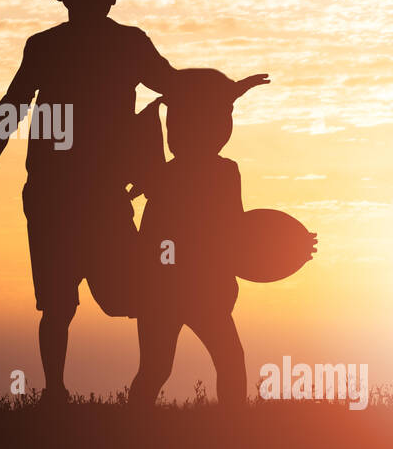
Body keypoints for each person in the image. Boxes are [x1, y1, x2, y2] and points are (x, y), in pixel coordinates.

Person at [0, 0, 178, 406]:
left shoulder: (123, 45)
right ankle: (57, 392)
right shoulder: (49, 48)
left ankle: (135, 386)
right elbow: (12, 106)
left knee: (119, 297)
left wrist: (221, 91)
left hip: (91, 198)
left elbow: (175, 86)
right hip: (57, 198)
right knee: (64, 303)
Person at [127, 68, 314, 411]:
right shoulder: (217, 172)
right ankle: (228, 427)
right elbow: (235, 232)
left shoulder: (168, 175)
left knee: (166, 367)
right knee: (217, 360)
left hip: (178, 289)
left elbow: (235, 232)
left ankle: (144, 425)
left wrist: (294, 245)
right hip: (192, 288)